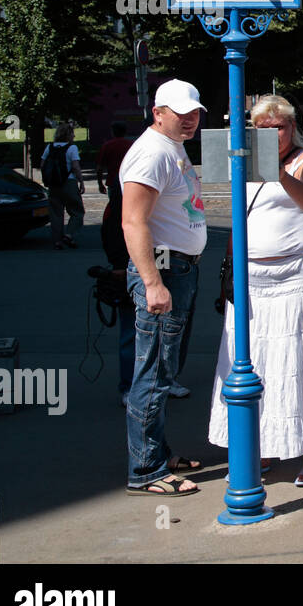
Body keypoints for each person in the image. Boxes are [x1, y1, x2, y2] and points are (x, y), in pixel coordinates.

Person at [208, 95, 303, 488]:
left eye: (280, 127)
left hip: (297, 280)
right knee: (258, 366)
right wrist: (229, 273)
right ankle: (265, 445)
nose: (273, 134)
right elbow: (238, 218)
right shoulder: (245, 165)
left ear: (293, 127)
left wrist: (278, 173)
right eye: (264, 129)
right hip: (253, 280)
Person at [119, 79, 207, 496]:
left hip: (177, 267)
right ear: (158, 112)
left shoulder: (170, 146)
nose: (189, 119)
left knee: (163, 369)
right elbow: (133, 222)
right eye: (180, 113)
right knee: (153, 371)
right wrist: (153, 282)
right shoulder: (152, 154)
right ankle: (146, 469)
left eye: (194, 112)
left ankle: (156, 451)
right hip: (165, 268)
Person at [96, 122, 137, 405]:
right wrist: (120, 265)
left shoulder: (112, 146)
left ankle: (143, 384)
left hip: (136, 265)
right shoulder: (124, 198)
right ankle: (128, 386)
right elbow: (113, 232)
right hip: (128, 268)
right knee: (130, 331)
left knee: (135, 332)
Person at [41, 122, 84, 249]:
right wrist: (81, 181)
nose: (74, 135)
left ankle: (57, 241)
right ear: (68, 135)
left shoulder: (49, 147)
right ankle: (69, 235)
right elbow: (75, 167)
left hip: (54, 184)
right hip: (68, 182)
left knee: (56, 213)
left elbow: (43, 164)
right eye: (72, 133)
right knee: (77, 211)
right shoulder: (72, 148)